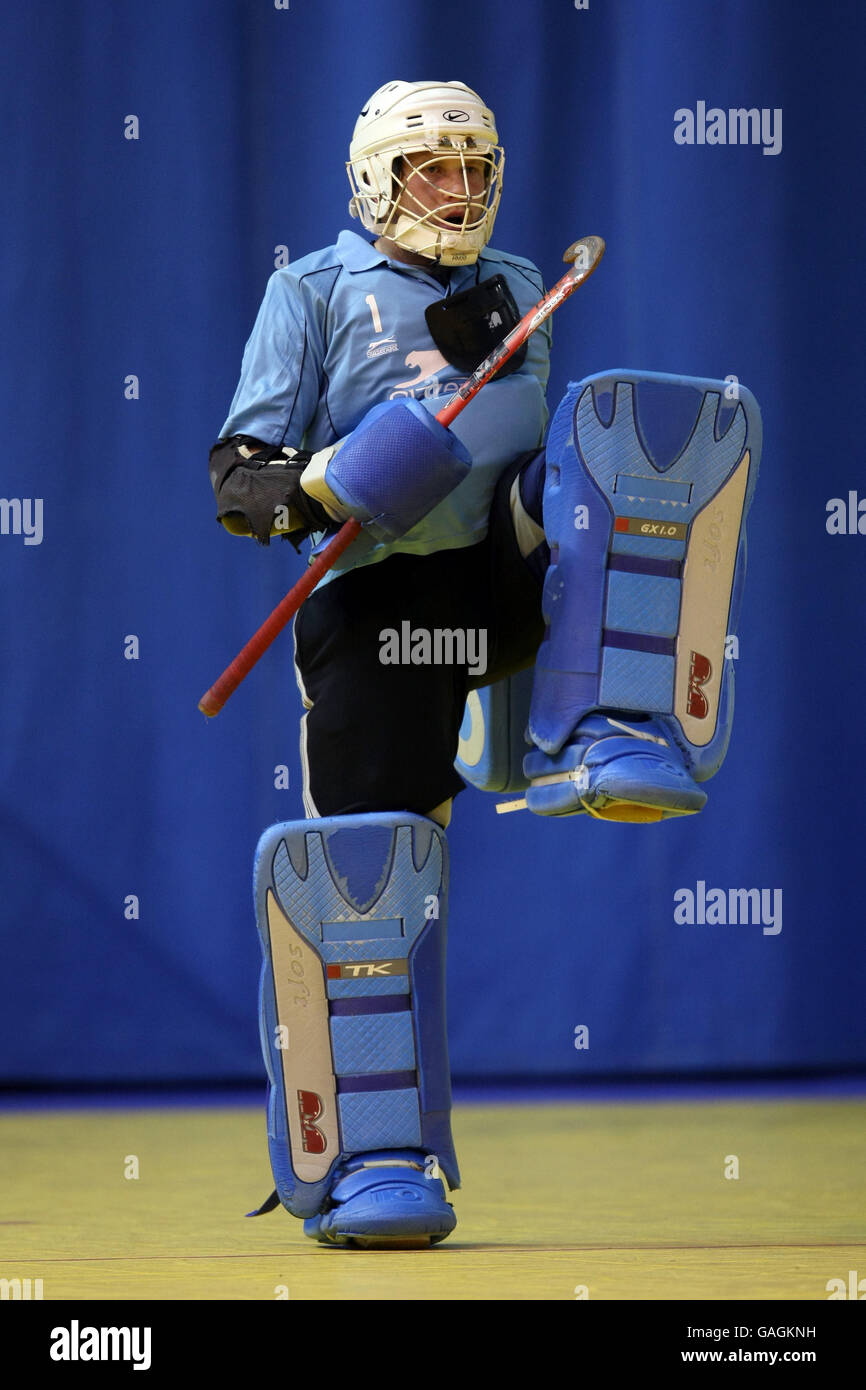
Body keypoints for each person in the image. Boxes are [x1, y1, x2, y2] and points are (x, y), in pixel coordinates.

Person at [209, 80, 761, 1248]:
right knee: (378, 878)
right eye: (431, 170)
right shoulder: (307, 290)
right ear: (375, 179)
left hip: (497, 592)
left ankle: (611, 722)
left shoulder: (519, 285)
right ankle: (372, 1156)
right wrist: (323, 479)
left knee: (604, 446)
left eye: (473, 168)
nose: (457, 191)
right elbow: (237, 482)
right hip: (376, 609)